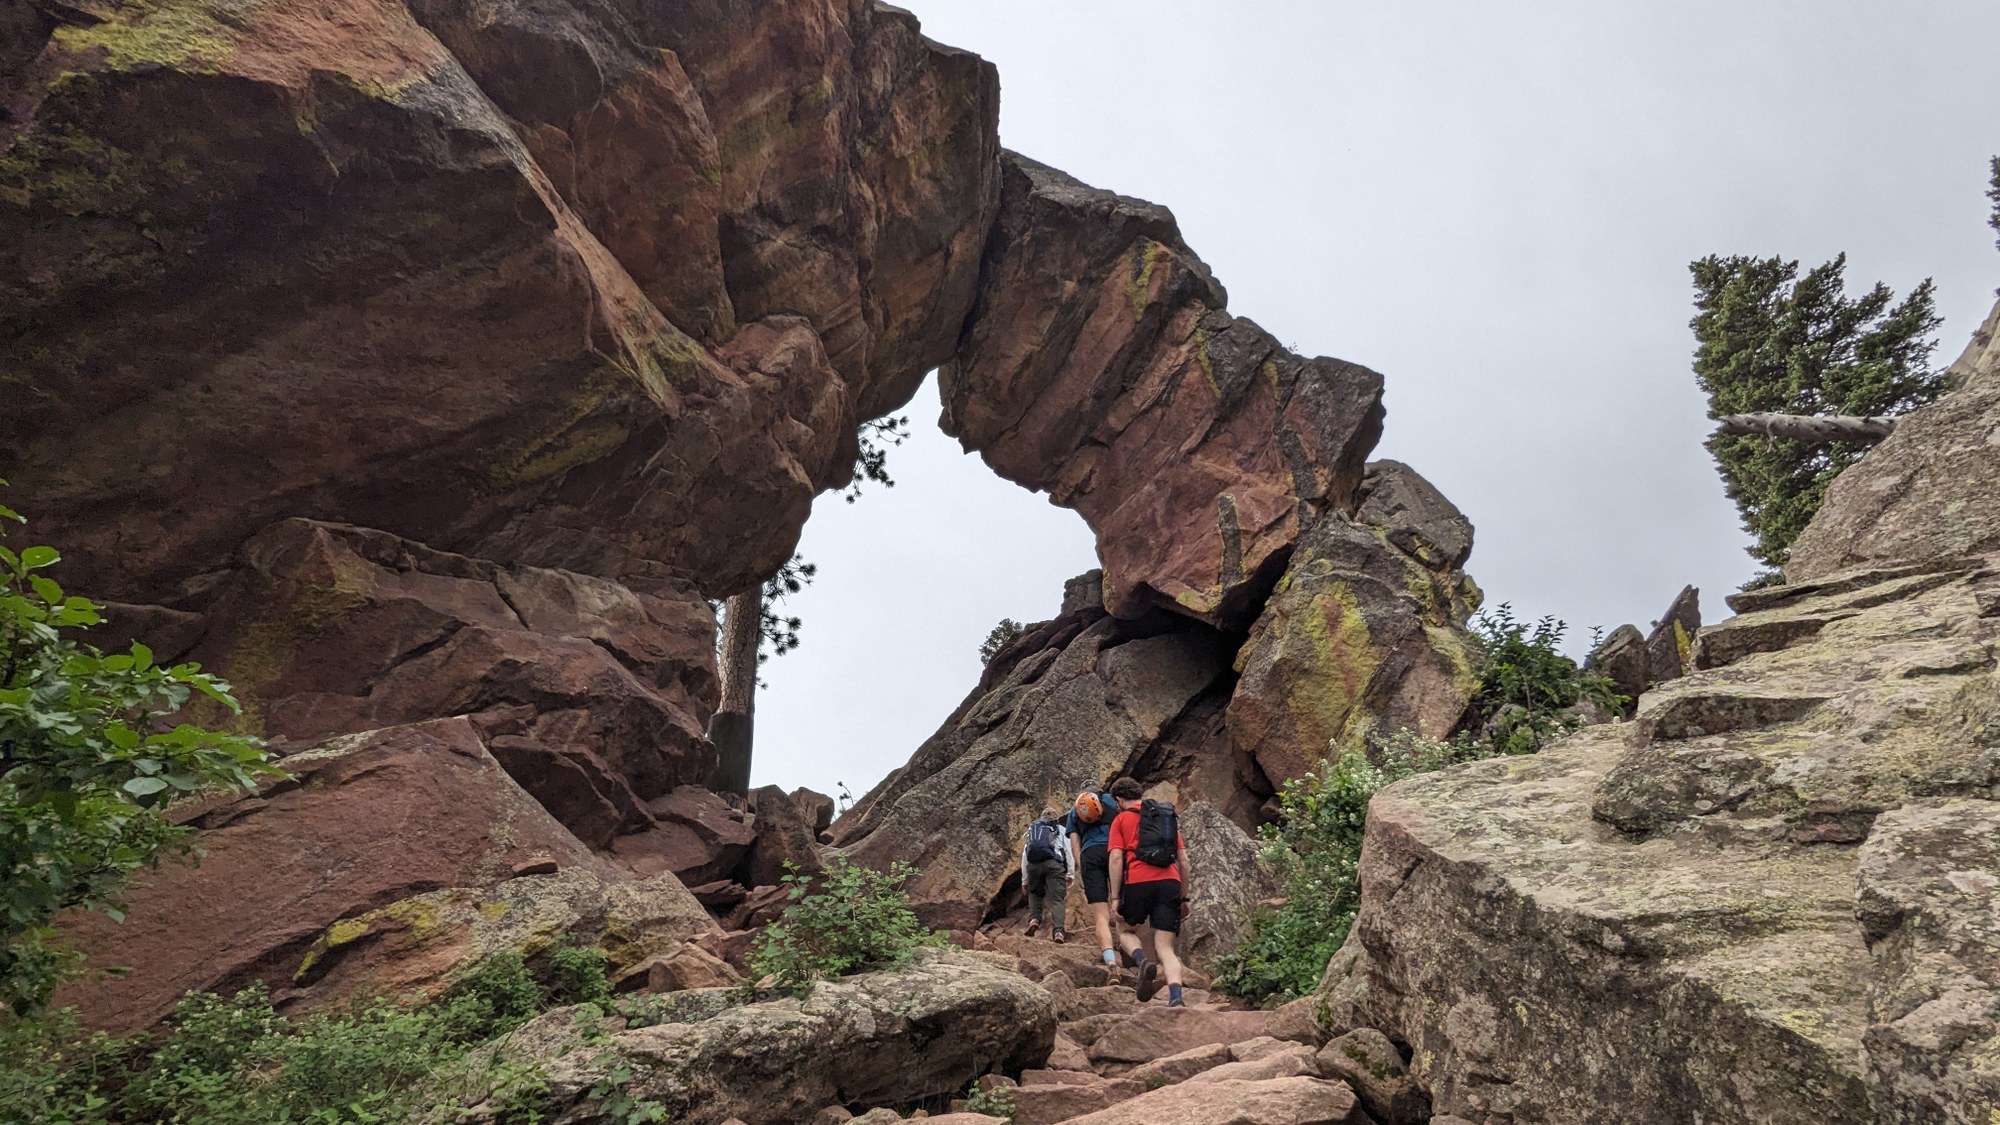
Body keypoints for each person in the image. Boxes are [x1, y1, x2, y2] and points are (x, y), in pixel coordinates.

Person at [1105, 776, 1190, 1007]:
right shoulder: (1165, 817)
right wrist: (1183, 897)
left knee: (1124, 929)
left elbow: (1115, 858)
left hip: (1138, 880)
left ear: (1119, 800)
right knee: (1165, 947)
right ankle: (1176, 998)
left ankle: (1142, 961)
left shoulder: (1121, 819)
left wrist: (1114, 898)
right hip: (1169, 880)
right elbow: (1184, 861)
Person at [1064, 785, 1121, 969]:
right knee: (1120, 904)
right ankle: (1129, 948)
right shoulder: (1111, 800)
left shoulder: (1075, 811)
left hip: (1090, 855)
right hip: (1114, 851)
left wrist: (1082, 867)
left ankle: (1110, 960)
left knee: (1100, 915)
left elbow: (1074, 846)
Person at [1020, 807, 1074, 941]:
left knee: (1035, 893)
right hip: (1053, 865)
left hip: (1033, 866)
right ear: (1056, 819)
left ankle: (1034, 919)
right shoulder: (1060, 830)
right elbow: (1068, 851)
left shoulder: (1032, 831)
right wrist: (1070, 873)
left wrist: (1024, 880)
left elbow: (1025, 856)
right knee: (1057, 899)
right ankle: (1058, 932)